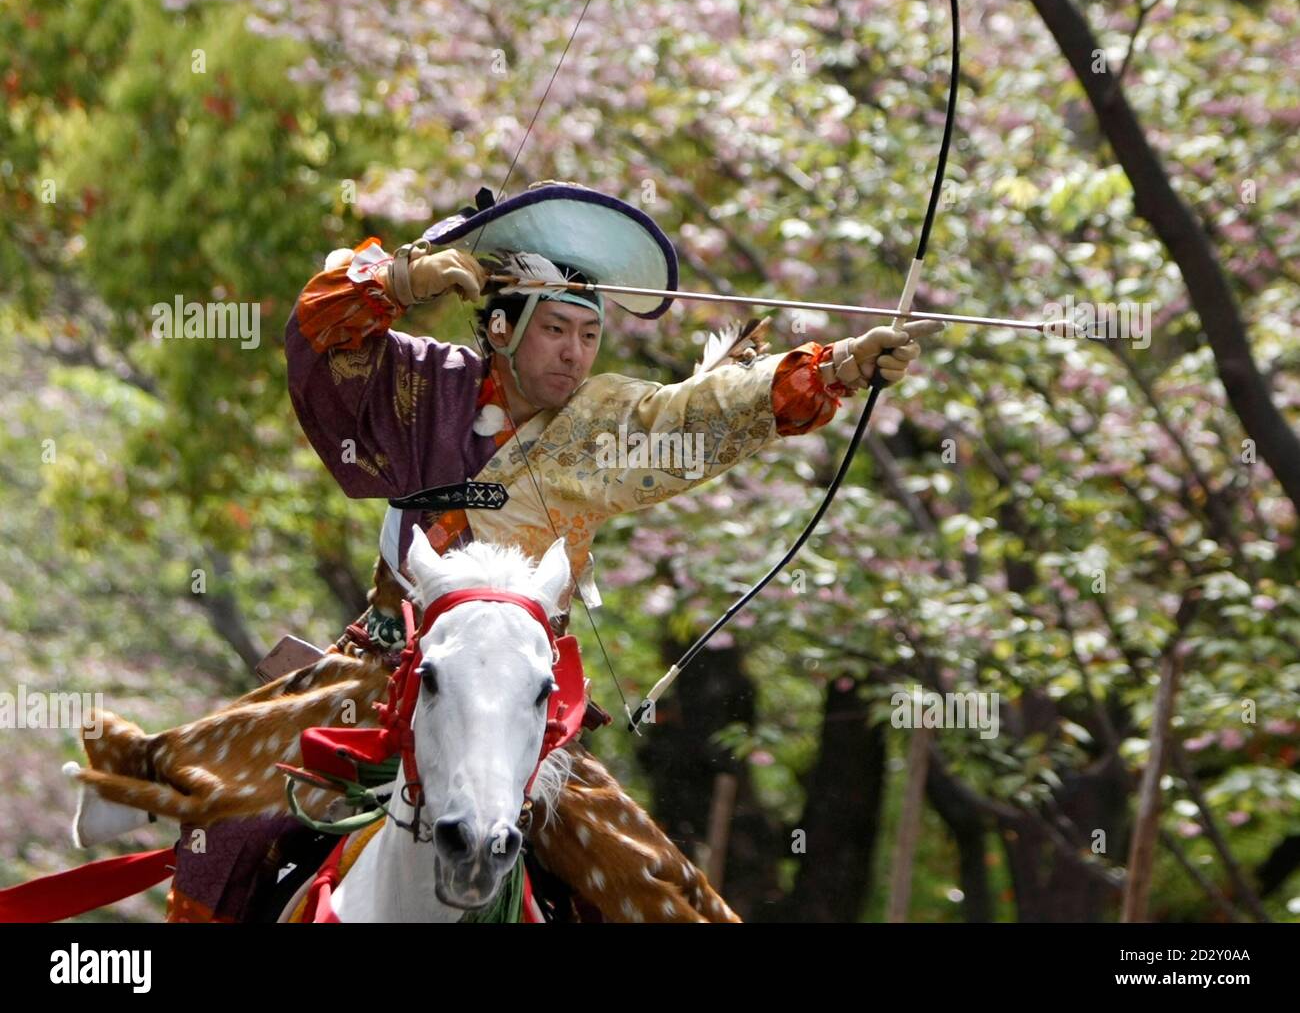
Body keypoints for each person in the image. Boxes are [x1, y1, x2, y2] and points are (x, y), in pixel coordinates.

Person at [76, 181, 939, 922]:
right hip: (388, 675)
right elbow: (320, 338)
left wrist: (837, 368)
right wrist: (400, 278)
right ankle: (138, 776)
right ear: (499, 327)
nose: (574, 353)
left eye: (588, 335)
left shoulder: (602, 425)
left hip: (526, 715)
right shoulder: (422, 387)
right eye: (555, 330)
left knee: (653, 887)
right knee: (227, 832)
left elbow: (702, 414)